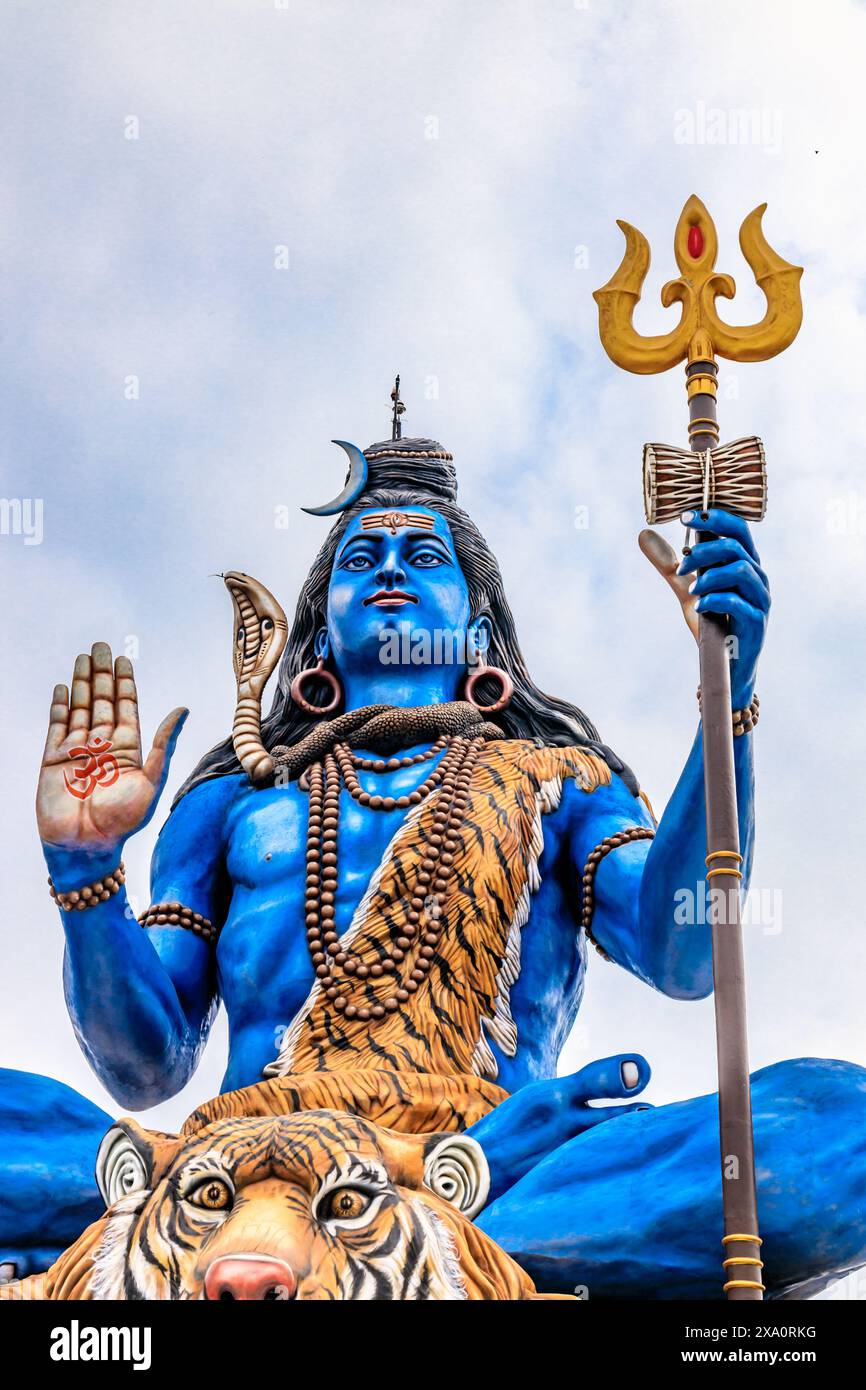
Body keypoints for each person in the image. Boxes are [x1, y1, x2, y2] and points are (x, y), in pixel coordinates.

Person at [3, 430, 864, 1298]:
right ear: (317, 633)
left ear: (478, 624)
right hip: (226, 1166)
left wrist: (730, 697)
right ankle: (451, 1235)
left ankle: (442, 1215)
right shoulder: (234, 802)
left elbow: (689, 957)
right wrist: (85, 872)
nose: (389, 572)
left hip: (489, 1159)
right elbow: (143, 1067)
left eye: (423, 556)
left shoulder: (561, 780)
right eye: (361, 558)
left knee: (833, 1129)